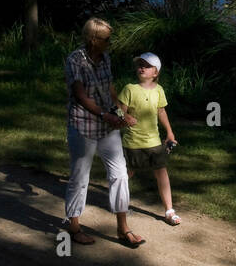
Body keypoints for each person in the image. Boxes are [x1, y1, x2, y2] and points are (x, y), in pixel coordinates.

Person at [63, 17, 143, 247]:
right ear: (93, 39)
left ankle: (123, 228)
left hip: (106, 125)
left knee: (119, 174)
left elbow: (109, 88)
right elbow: (80, 95)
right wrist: (104, 115)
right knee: (80, 178)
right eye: (106, 39)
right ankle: (74, 227)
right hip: (83, 125)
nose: (110, 42)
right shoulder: (75, 60)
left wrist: (120, 113)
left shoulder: (106, 57)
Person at [119, 52, 181, 225]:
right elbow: (117, 109)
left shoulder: (159, 90)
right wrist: (124, 117)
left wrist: (169, 132)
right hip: (133, 142)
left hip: (154, 142)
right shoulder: (129, 89)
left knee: (162, 173)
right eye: (140, 65)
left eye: (146, 66)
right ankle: (117, 201)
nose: (142, 68)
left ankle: (169, 210)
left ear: (156, 72)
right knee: (127, 173)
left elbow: (161, 111)